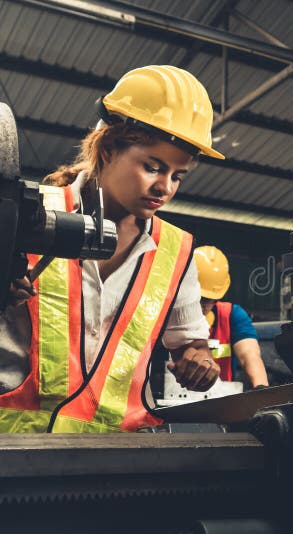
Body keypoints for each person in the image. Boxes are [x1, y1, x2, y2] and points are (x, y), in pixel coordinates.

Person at [1, 65, 224, 432]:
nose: (165, 187)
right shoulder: (28, 213)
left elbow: (190, 342)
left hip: (113, 459)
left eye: (177, 176)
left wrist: (197, 359)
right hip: (14, 451)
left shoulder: (176, 251)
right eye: (153, 167)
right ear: (107, 150)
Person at [193, 245, 269, 388]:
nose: (201, 305)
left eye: (207, 300)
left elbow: (249, 355)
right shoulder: (167, 316)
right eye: (197, 298)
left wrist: (262, 389)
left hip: (222, 402)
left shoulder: (232, 316)